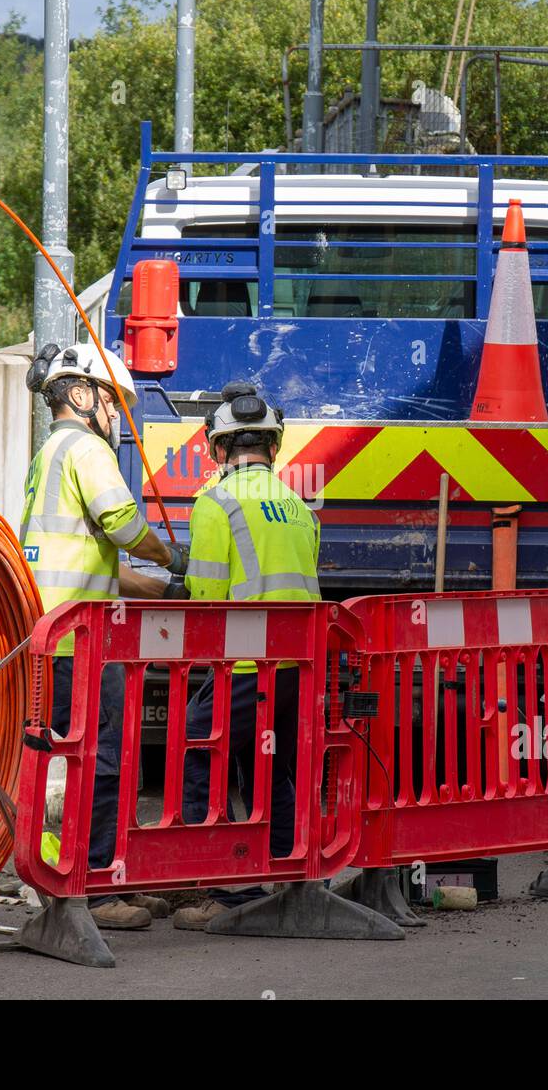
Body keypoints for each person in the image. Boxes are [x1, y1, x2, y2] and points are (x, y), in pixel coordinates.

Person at [20, 341, 190, 928]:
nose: (119, 415)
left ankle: (96, 877)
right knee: (105, 758)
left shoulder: (50, 454)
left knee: (68, 755)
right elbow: (123, 526)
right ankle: (94, 887)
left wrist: (158, 590)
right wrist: (171, 557)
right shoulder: (87, 449)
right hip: (81, 640)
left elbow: (97, 561)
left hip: (51, 634)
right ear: (82, 394)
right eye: (114, 401)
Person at [170, 382, 321, 931]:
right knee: (275, 768)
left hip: (245, 663)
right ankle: (286, 871)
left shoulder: (216, 502)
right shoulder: (298, 507)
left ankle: (214, 882)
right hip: (298, 665)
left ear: (218, 449)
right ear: (274, 449)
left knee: (198, 747)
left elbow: (207, 598)